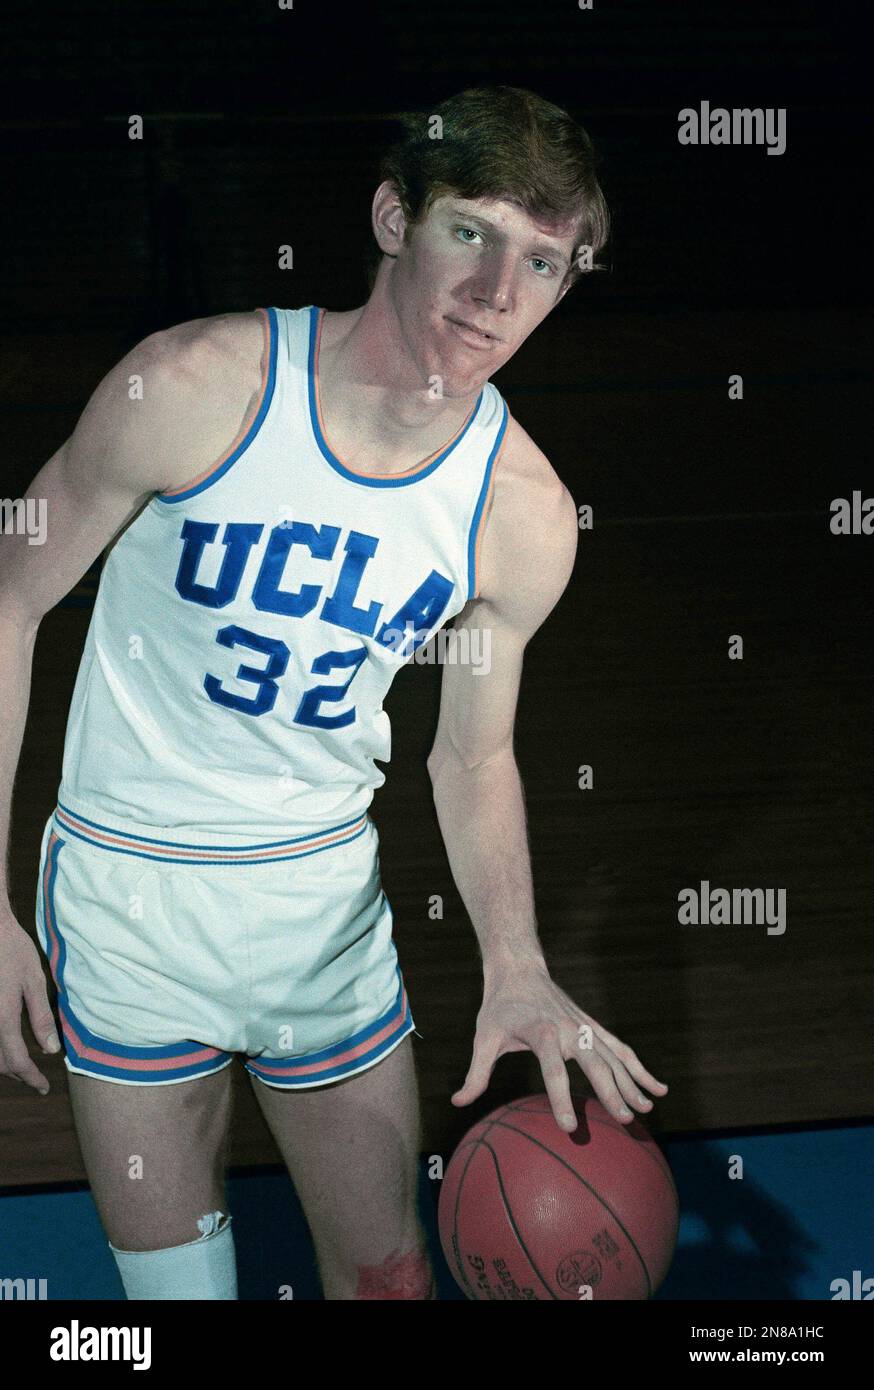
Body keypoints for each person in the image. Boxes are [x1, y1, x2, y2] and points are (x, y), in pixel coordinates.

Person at [0, 85, 667, 1301]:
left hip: (322, 915)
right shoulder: (194, 385)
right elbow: (8, 601)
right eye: (471, 231)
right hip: (128, 902)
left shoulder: (517, 515)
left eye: (547, 263)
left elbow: (468, 759)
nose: (498, 291)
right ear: (390, 215)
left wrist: (514, 963)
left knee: (390, 1280)